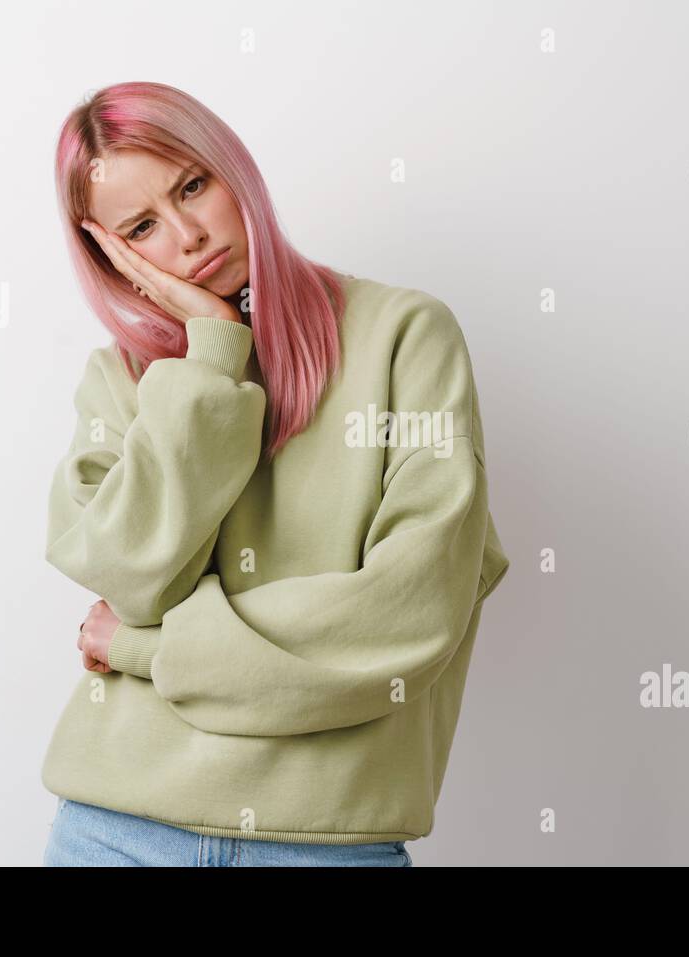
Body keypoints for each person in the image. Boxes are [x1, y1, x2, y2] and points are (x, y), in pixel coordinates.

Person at [40, 81, 509, 866]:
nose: (188, 235)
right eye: (141, 227)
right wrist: (213, 350)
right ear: (110, 255)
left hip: (325, 841)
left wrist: (145, 650)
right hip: (112, 831)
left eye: (193, 185)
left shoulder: (404, 336)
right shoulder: (120, 379)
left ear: (233, 168)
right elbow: (131, 579)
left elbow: (409, 613)